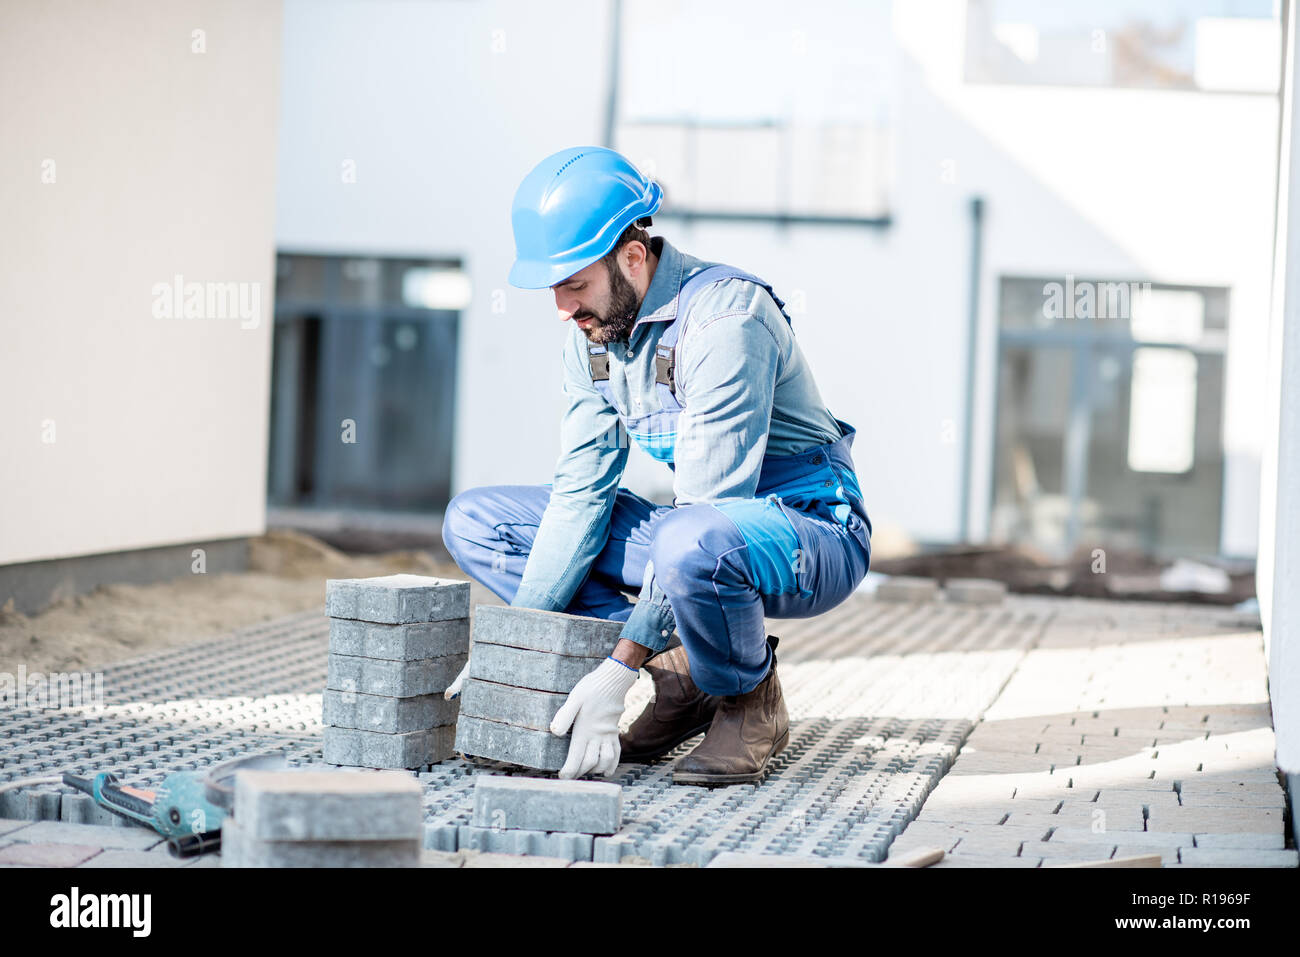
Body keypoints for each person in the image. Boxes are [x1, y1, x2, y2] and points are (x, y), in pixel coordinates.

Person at [442, 146, 872, 785]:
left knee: (689, 539)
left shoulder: (727, 321)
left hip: (811, 533)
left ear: (633, 258)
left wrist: (616, 670)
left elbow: (707, 510)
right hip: (699, 534)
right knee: (480, 522)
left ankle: (748, 699)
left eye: (575, 285)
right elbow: (580, 496)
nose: (563, 308)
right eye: (554, 289)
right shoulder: (593, 338)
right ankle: (683, 679)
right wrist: (520, 636)